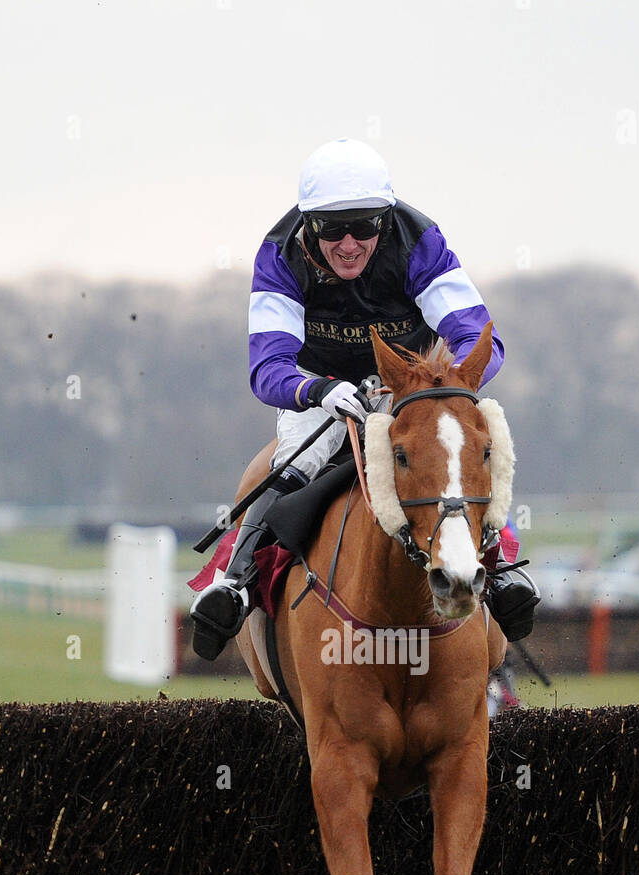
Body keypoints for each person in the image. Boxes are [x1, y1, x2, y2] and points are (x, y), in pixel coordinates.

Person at [191, 137, 538, 659]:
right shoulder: (279, 253)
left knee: (462, 449)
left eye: (366, 226)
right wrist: (319, 390)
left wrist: (440, 386)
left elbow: (479, 337)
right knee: (293, 462)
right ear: (308, 224)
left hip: (410, 389)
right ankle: (234, 581)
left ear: (387, 218)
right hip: (321, 393)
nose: (350, 243)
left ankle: (504, 569)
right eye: (333, 229)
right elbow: (267, 369)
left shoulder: (419, 240)